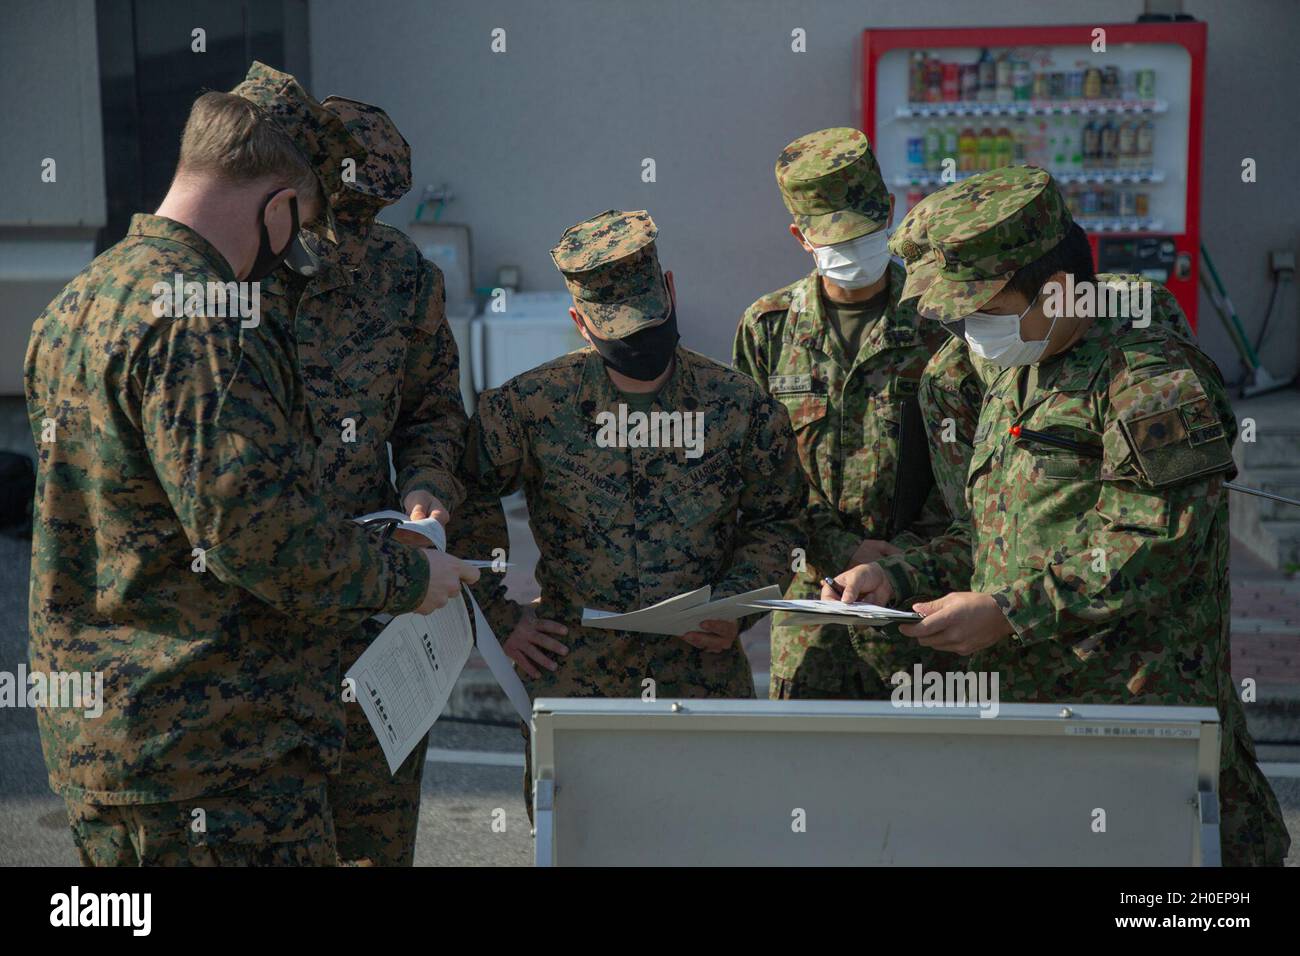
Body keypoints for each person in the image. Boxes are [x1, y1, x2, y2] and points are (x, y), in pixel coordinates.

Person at [24, 63, 476, 866]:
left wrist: (425, 493)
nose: (322, 242)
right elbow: (258, 534)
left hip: (120, 744)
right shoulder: (207, 321)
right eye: (308, 216)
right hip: (214, 745)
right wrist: (410, 581)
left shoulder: (75, 305)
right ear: (278, 201)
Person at [827, 165, 1290, 866]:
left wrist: (1010, 611)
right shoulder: (1005, 367)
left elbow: (1157, 540)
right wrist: (899, 575)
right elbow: (987, 535)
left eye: (984, 309)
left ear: (1059, 288)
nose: (969, 330)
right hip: (1035, 731)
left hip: (1139, 733)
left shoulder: (1147, 376)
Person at [453, 208, 804, 806]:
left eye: (648, 322)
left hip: (702, 678)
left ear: (670, 291)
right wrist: (499, 618)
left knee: (711, 837)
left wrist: (737, 606)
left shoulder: (738, 405)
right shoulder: (533, 405)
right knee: (583, 838)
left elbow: (780, 521)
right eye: (620, 330)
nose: (640, 343)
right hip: (575, 679)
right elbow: (461, 499)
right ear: (580, 324)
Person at [732, 127, 950, 700]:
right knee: (806, 775)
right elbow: (754, 475)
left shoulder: (941, 320)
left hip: (922, 603)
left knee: (919, 778)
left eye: (865, 233)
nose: (853, 251)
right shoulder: (769, 327)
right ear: (800, 236)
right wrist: (836, 547)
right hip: (814, 610)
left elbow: (976, 463)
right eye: (836, 239)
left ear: (892, 214)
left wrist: (907, 558)